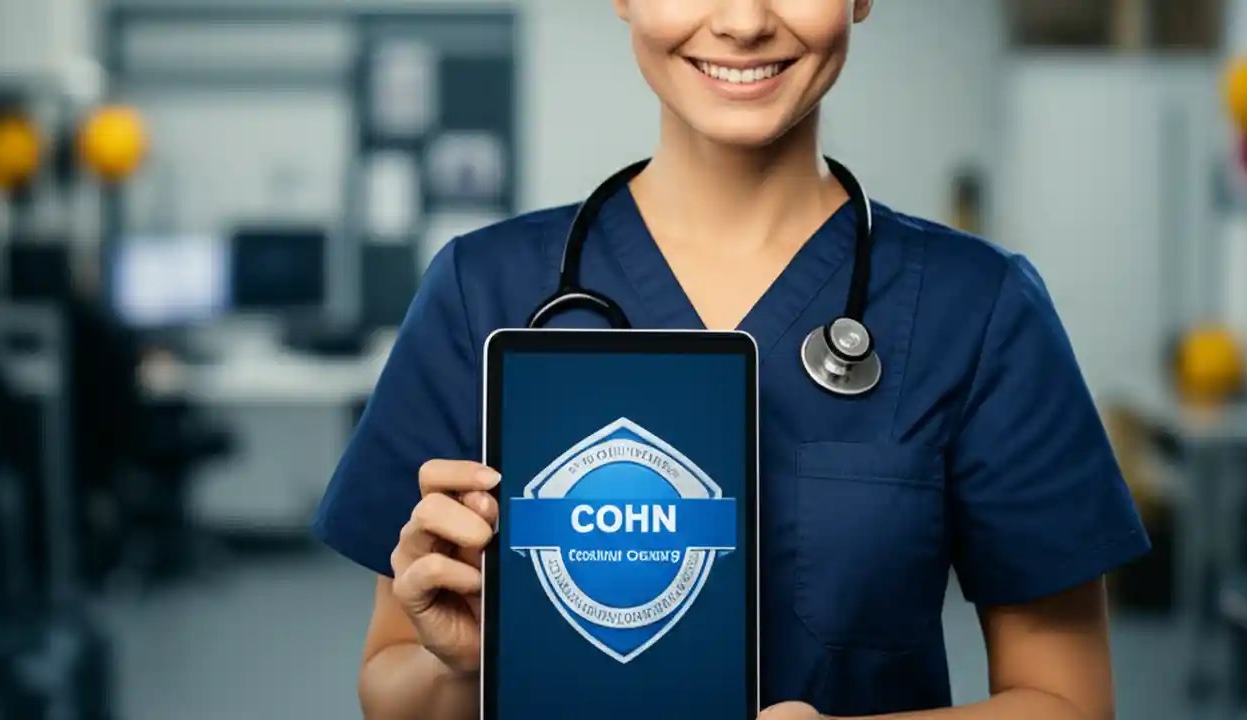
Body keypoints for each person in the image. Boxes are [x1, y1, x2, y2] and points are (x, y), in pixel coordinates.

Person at [313, 1, 1151, 718]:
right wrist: (460, 662)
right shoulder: (480, 291)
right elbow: (391, 686)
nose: (745, 21)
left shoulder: (978, 308)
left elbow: (1070, 699)